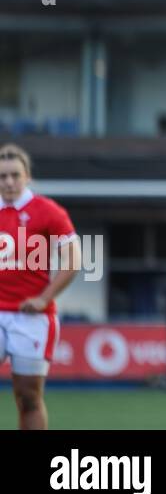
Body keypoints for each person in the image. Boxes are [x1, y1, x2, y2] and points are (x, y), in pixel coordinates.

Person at [0, 143, 82, 430]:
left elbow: (73, 259)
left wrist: (44, 298)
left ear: (27, 177)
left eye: (14, 175)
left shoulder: (47, 211)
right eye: (2, 176)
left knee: (28, 397)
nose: (9, 182)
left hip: (31, 318)